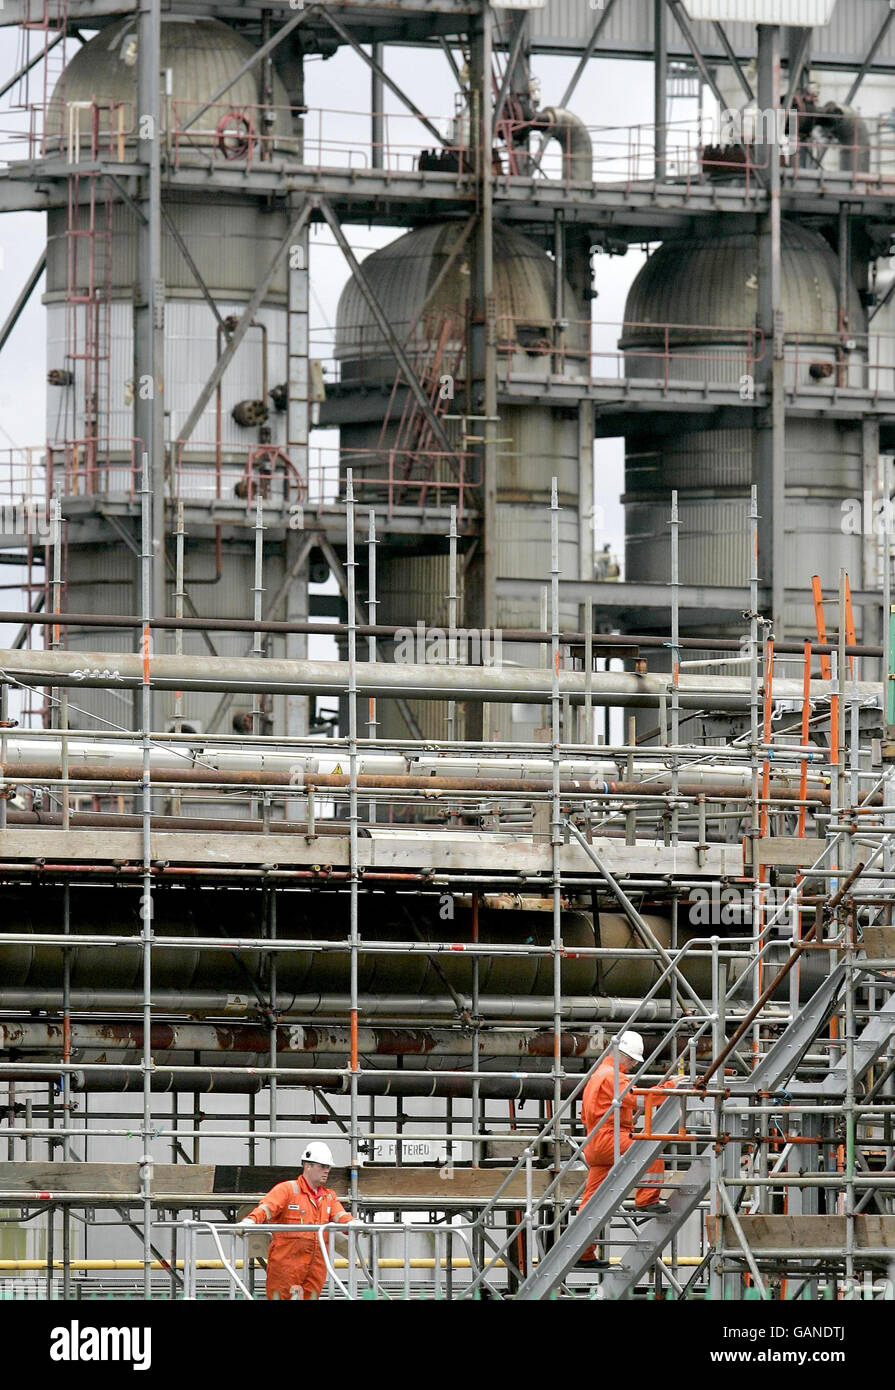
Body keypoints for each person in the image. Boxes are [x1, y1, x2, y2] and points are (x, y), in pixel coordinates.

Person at [576, 1030, 676, 1271]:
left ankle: (583, 1253)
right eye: (632, 1060)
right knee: (649, 1148)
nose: (632, 1066)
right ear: (622, 1055)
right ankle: (646, 1199)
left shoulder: (598, 1075)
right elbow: (639, 1099)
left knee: (591, 1203)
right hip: (610, 1138)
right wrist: (672, 1087)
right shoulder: (612, 1076)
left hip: (596, 1142)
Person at [240, 1140, 362, 1300]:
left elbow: (341, 1216)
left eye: (328, 1167)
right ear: (307, 1166)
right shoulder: (287, 1190)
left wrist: (354, 1223)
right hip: (286, 1268)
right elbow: (267, 1208)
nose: (327, 1171)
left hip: (315, 1268)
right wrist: (250, 1221)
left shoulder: (328, 1196)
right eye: (322, 1166)